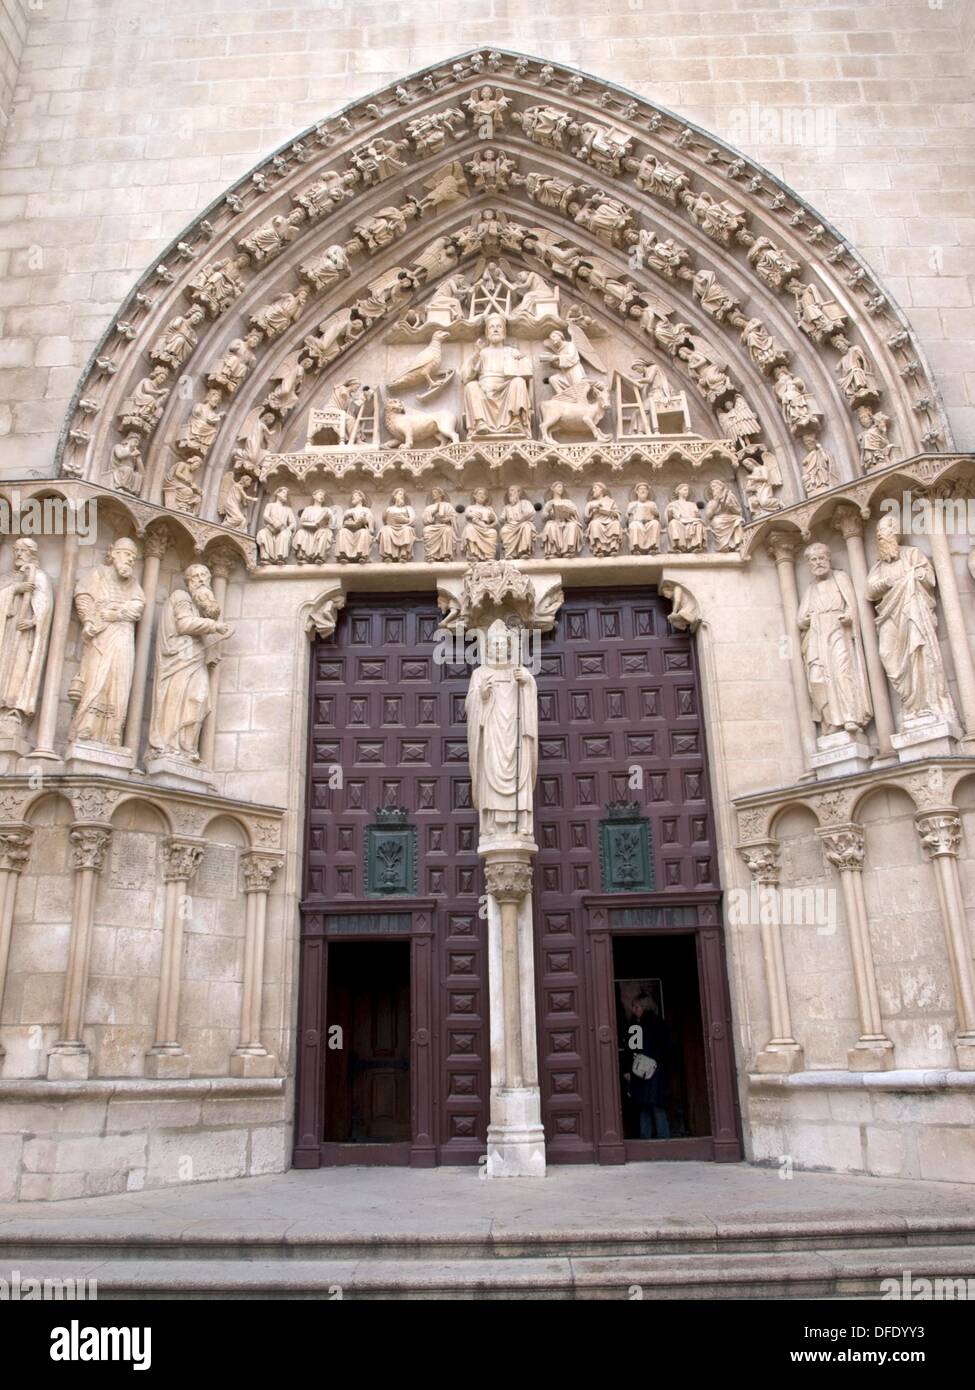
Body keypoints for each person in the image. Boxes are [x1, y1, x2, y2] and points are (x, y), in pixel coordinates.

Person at [622, 992, 670, 1140]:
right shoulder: (657, 1023)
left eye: (636, 1006)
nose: (633, 1010)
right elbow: (665, 1048)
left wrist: (628, 1069)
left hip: (642, 1069)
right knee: (654, 1104)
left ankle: (646, 1139)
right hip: (654, 1069)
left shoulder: (638, 1026)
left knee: (645, 1105)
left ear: (644, 1007)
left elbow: (630, 1050)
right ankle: (663, 1138)